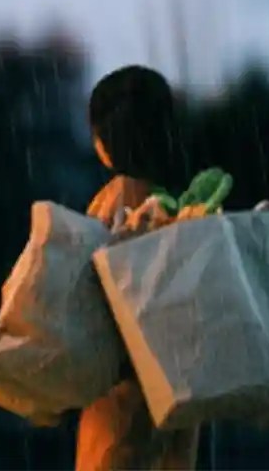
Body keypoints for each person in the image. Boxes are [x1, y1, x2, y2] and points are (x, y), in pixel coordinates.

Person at [77, 65, 200, 471]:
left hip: (122, 393)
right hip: (175, 385)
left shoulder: (113, 204)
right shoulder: (178, 204)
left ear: (104, 142)